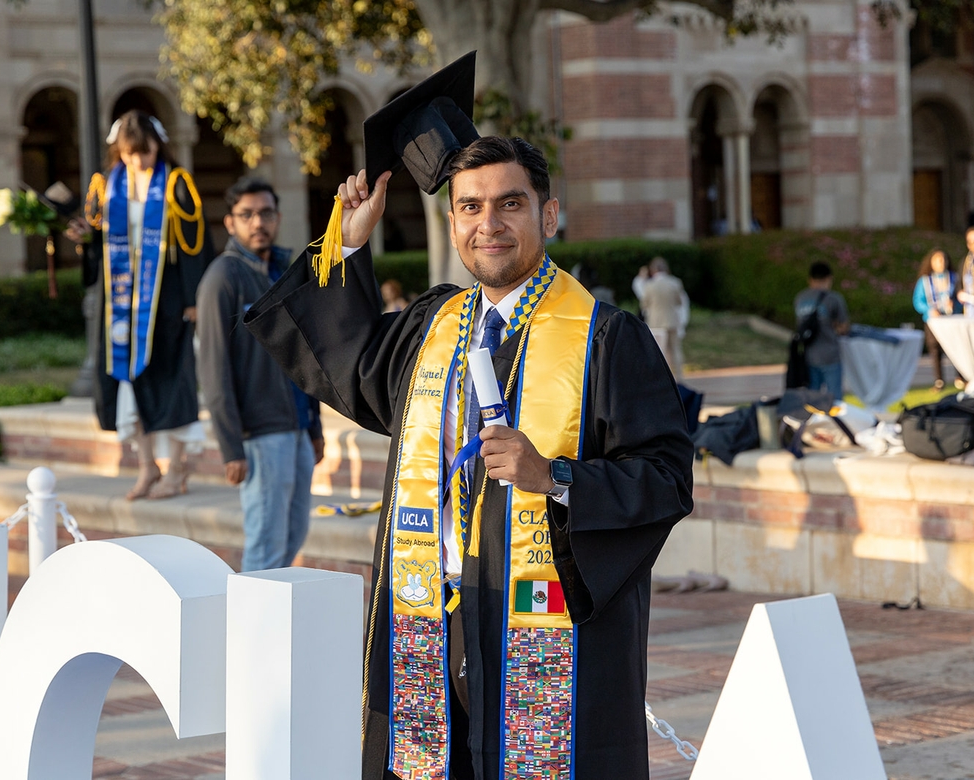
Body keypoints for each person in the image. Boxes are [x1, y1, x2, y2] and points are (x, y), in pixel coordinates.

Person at [244, 53, 694, 780]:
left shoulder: (606, 338)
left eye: (510, 204)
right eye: (471, 207)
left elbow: (668, 479)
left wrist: (554, 477)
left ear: (548, 214)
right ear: (452, 221)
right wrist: (348, 242)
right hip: (431, 617)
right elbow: (349, 365)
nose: (490, 223)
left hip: (543, 626)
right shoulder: (434, 325)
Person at [66, 110, 213, 500]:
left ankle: (177, 470)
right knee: (130, 382)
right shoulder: (106, 187)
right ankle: (148, 468)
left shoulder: (176, 184)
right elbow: (99, 247)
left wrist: (194, 298)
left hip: (166, 300)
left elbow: (195, 244)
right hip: (121, 303)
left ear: (158, 146)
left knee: (174, 381)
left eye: (145, 152)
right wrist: (85, 240)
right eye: (130, 154)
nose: (139, 161)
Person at [195, 176, 324, 571]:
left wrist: (315, 425)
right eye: (246, 214)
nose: (258, 222)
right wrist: (231, 447)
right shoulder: (222, 278)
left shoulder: (282, 272)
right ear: (230, 222)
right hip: (260, 434)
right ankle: (250, 612)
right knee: (266, 547)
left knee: (294, 535)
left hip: (297, 427)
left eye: (266, 213)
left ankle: (273, 610)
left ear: (278, 217)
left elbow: (305, 353)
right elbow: (213, 369)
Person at [793, 261, 850, 395]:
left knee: (812, 398)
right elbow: (844, 328)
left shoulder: (800, 298)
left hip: (808, 355)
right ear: (829, 278)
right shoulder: (834, 299)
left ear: (810, 279)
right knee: (834, 399)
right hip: (830, 355)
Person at [912, 248, 960, 390]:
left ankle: (960, 377)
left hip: (951, 319)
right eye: (938, 260)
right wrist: (929, 310)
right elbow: (917, 301)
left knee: (956, 348)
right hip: (933, 321)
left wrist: (955, 304)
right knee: (935, 349)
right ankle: (939, 381)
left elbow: (961, 297)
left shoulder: (954, 278)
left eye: (943, 259)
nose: (941, 263)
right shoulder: (925, 281)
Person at [639, 256, 689, 379]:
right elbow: (679, 302)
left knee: (659, 351)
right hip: (672, 320)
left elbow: (644, 304)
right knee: (676, 350)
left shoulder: (649, 285)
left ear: (653, 270)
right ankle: (679, 377)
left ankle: (662, 378)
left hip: (656, 322)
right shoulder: (675, 282)